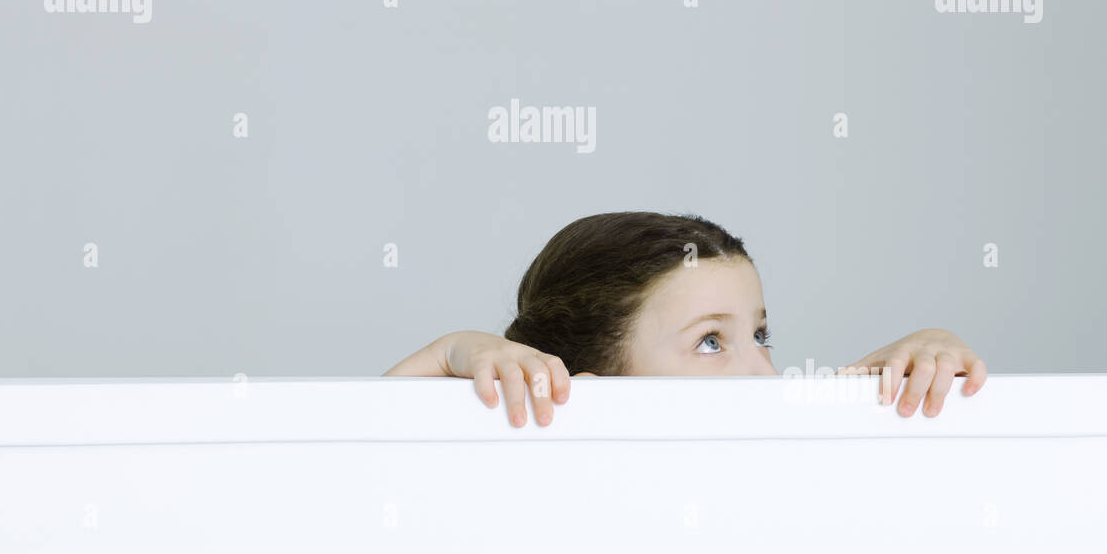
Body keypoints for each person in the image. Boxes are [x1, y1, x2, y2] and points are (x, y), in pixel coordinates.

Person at [384, 211, 987, 427]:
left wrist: (923, 361)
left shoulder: (785, 459)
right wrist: (449, 353)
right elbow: (347, 483)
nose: (764, 374)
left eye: (760, 336)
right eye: (709, 342)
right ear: (590, 385)